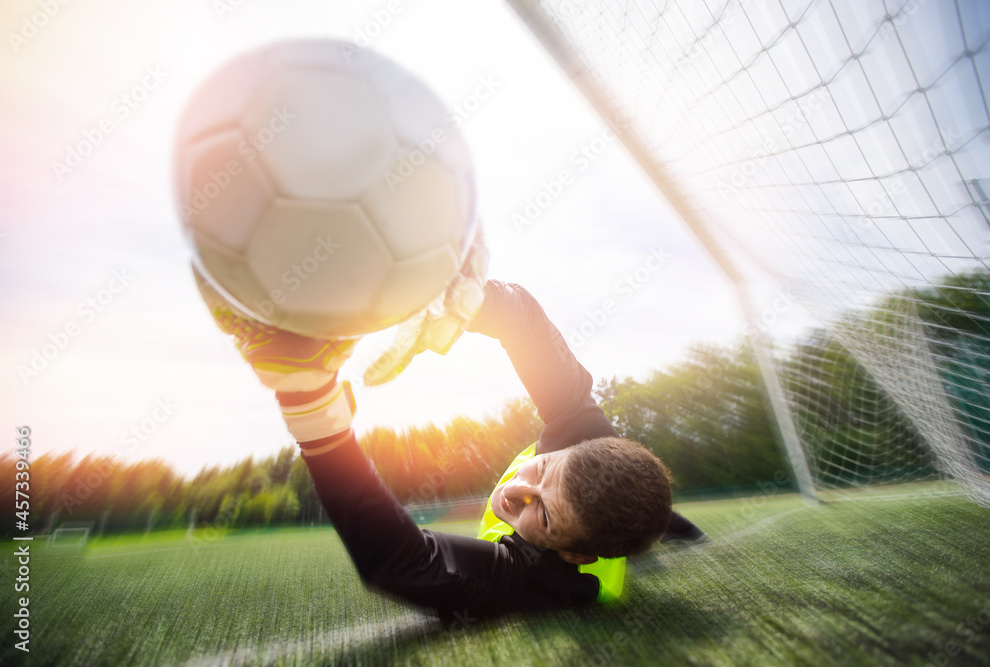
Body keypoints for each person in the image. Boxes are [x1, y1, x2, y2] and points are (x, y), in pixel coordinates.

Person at [194, 263, 702, 624]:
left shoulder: (546, 579)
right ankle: (675, 526)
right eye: (542, 473)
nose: (519, 495)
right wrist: (468, 302)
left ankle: (665, 528)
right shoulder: (582, 430)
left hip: (590, 550)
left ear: (570, 556)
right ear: (567, 445)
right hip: (603, 483)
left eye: (542, 517)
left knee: (639, 535)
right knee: (656, 520)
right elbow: (526, 319)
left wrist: (314, 415)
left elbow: (402, 563)